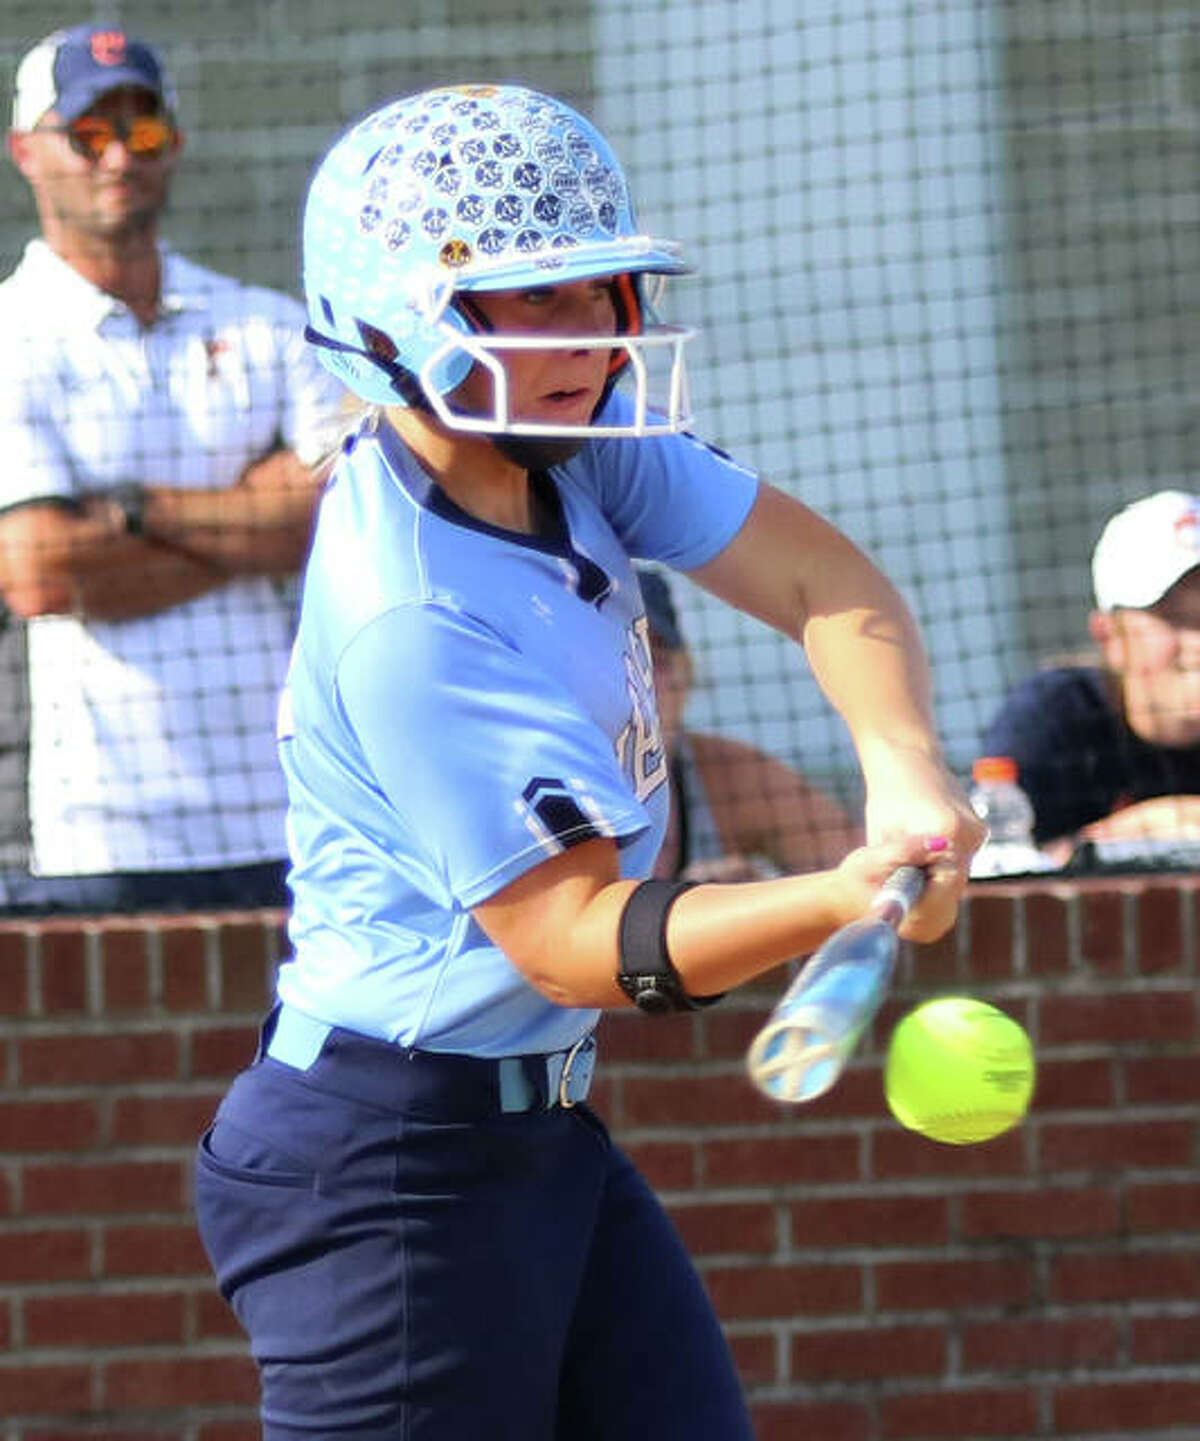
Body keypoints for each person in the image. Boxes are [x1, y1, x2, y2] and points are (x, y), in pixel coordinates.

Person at [193, 84, 983, 1441]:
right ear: (393, 320)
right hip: (387, 1168)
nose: (589, 339)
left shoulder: (566, 451)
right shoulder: (411, 615)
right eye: (532, 302)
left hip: (531, 1129)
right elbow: (568, 939)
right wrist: (838, 898)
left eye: (601, 290)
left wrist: (905, 773)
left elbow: (824, 580)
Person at [0, 23, 344, 912]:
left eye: (143, 130)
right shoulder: (11, 337)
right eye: (88, 132)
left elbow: (333, 523)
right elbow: (37, 570)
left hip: (288, 811)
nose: (119, 156)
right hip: (92, 823)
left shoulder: (270, 325)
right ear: (27, 151)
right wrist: (251, 517)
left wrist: (128, 510)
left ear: (175, 145)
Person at [981, 489, 1200, 861]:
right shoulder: (1053, 718)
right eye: (1174, 619)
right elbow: (997, 865)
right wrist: (1144, 830)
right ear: (1109, 637)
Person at [637, 564, 861, 880]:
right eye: (615, 659)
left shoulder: (728, 775)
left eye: (655, 661)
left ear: (684, 675)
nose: (638, 681)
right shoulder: (549, 780)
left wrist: (761, 905)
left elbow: (869, 879)